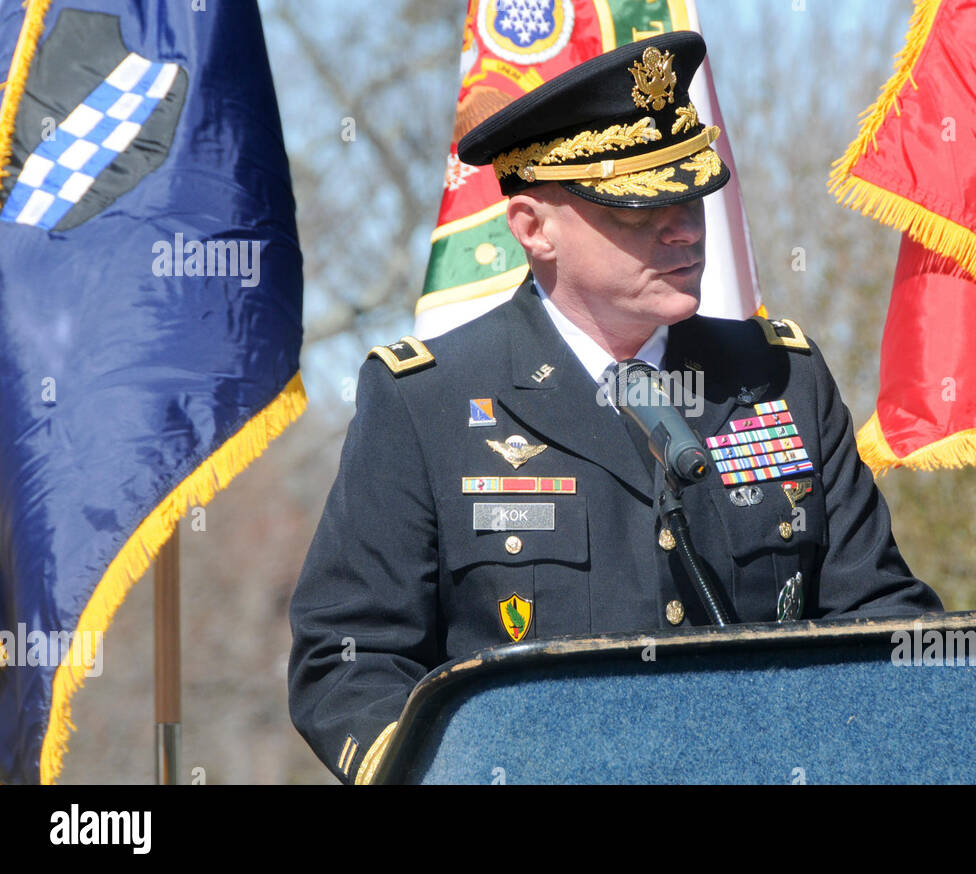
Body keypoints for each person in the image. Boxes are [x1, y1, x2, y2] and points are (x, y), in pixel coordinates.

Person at [288, 31, 942, 785]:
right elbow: (350, 657)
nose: (685, 228)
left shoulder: (778, 375)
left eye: (693, 194)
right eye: (638, 209)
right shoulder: (425, 400)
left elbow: (882, 615)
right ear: (535, 229)